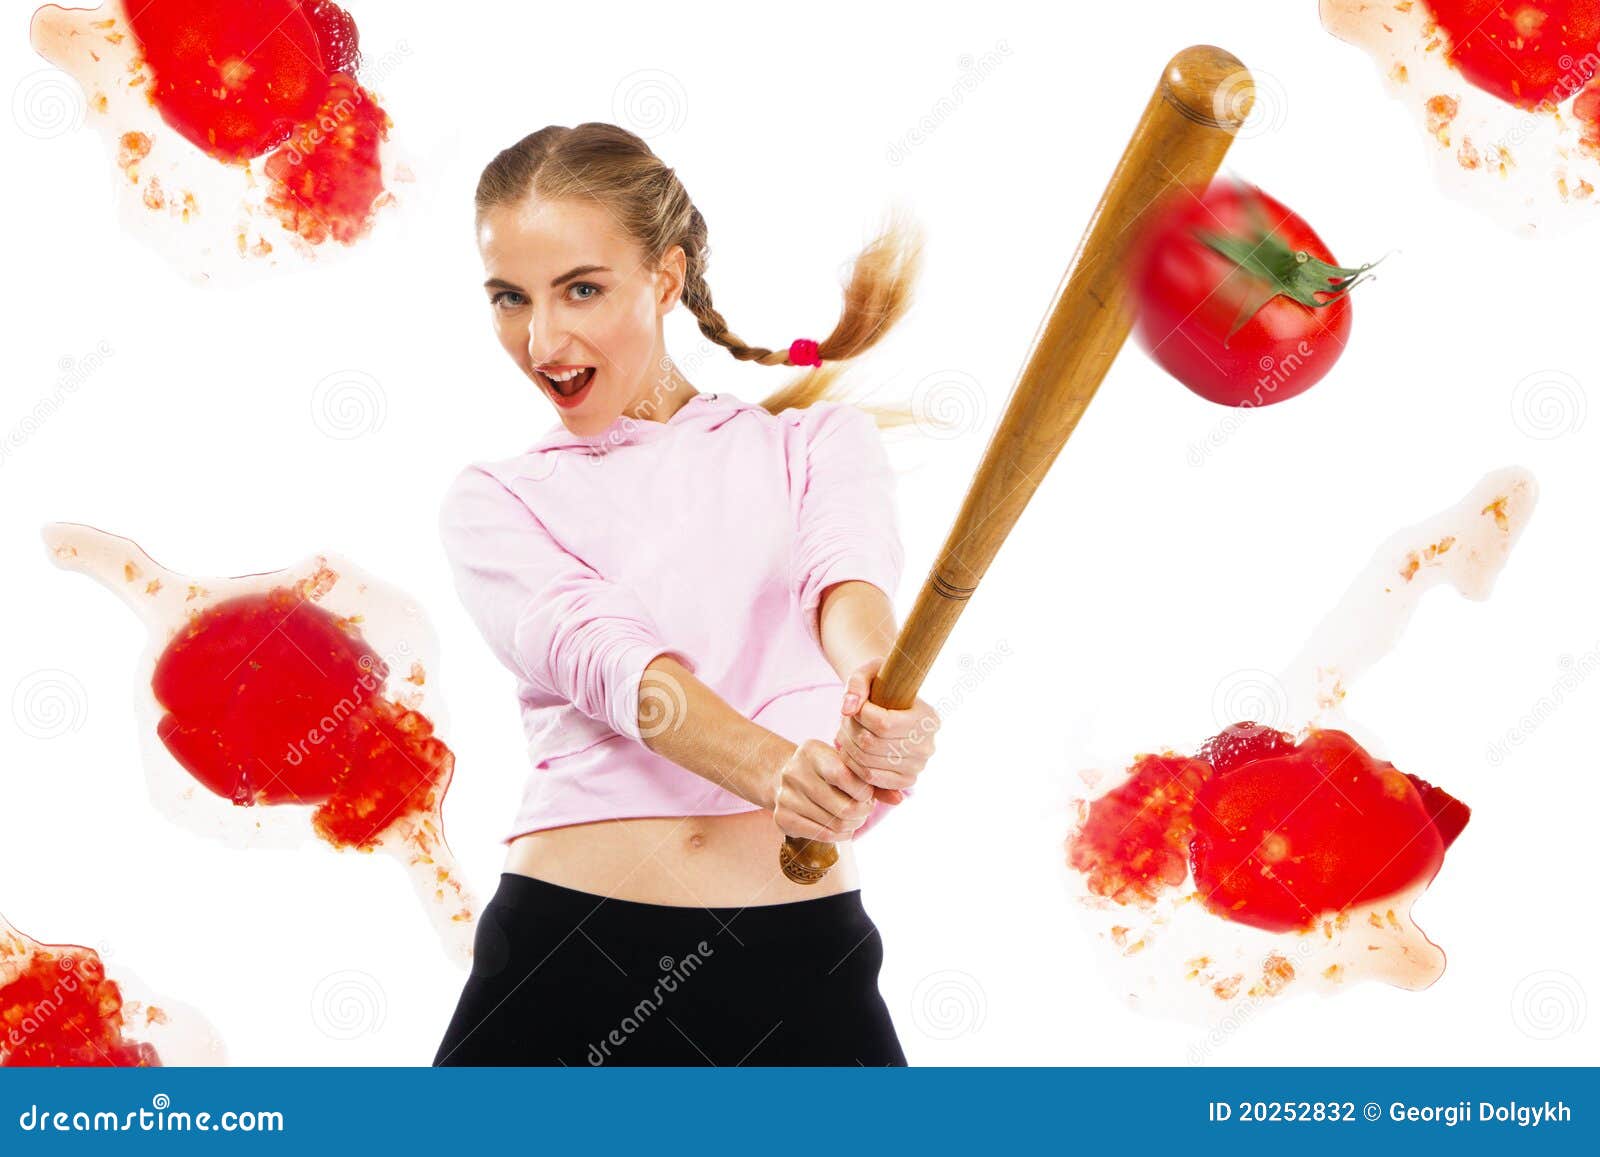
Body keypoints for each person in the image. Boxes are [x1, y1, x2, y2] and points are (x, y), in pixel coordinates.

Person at [432, 122, 940, 1066]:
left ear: (665, 279)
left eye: (582, 288)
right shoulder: (494, 500)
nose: (544, 339)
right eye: (512, 298)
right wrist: (769, 766)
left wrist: (878, 691)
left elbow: (848, 585)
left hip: (799, 954)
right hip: (565, 951)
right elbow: (612, 662)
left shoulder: (815, 445)